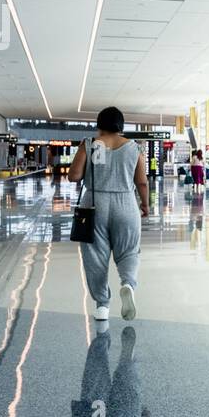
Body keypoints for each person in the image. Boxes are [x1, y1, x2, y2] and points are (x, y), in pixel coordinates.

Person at [68, 107, 148, 321]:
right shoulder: (134, 148)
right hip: (126, 204)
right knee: (129, 252)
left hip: (95, 205)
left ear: (99, 123)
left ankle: (102, 306)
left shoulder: (90, 145)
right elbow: (141, 182)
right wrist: (145, 205)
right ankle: (128, 284)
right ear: (121, 125)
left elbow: (73, 176)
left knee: (95, 258)